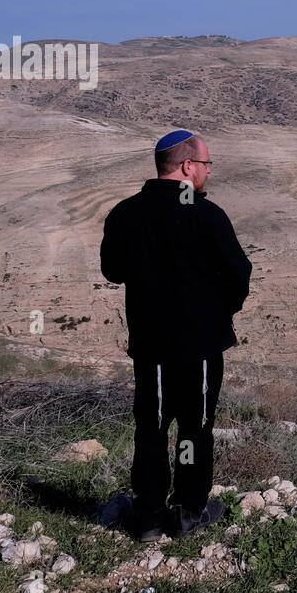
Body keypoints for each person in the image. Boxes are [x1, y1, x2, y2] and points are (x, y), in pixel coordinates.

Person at [100, 129, 252, 541]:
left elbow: (112, 271)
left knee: (151, 425)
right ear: (187, 166)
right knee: (195, 425)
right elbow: (239, 275)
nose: (207, 171)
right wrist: (219, 313)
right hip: (199, 343)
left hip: (150, 343)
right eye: (205, 164)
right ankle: (187, 513)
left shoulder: (126, 213)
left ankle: (148, 514)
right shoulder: (207, 215)